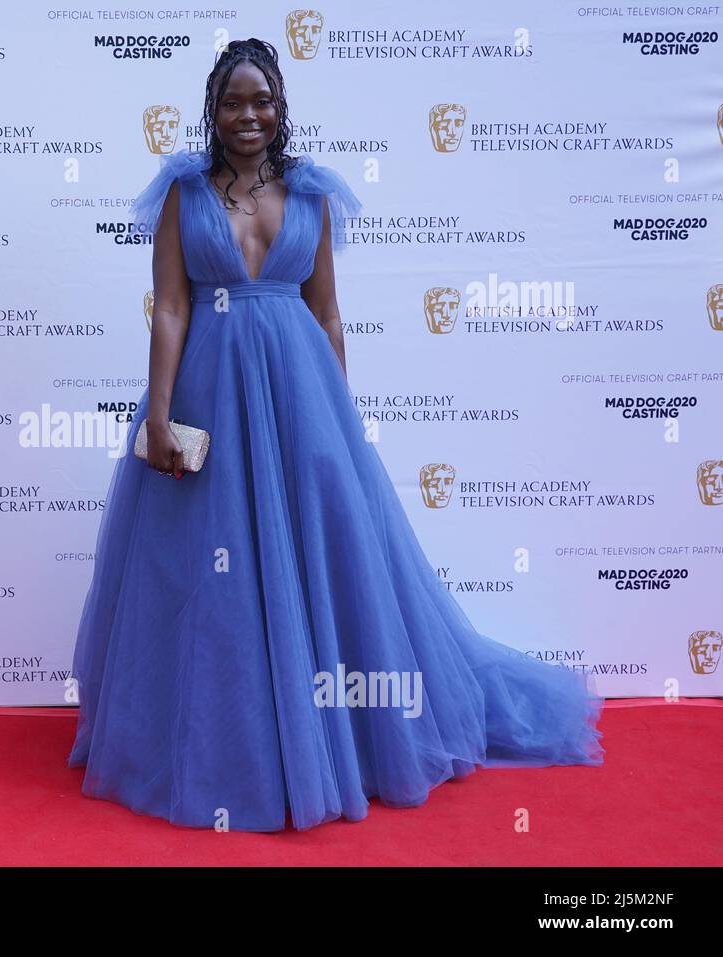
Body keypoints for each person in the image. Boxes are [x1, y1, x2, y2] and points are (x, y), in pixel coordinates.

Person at [67, 39, 605, 832]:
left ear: (280, 109)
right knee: (205, 576)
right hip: (207, 399)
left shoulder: (312, 194)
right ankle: (215, 746)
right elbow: (172, 307)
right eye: (233, 102)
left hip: (301, 398)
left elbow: (325, 313)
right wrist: (157, 415)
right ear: (211, 110)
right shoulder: (183, 195)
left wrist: (339, 419)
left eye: (263, 101)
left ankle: (336, 735)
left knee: (316, 565)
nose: (249, 115)